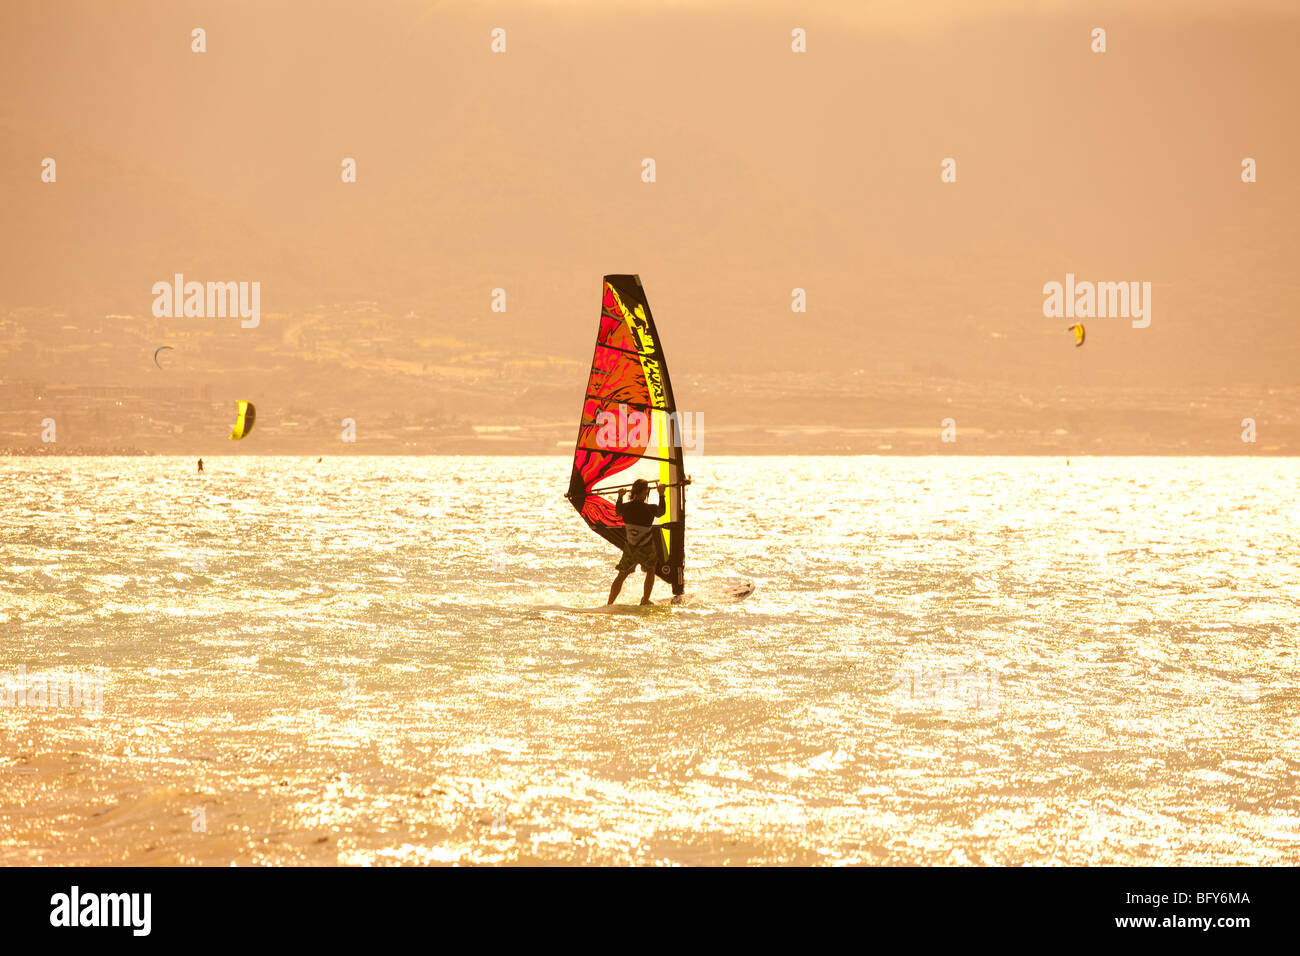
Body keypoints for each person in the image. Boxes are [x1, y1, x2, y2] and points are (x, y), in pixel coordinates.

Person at [608, 479, 665, 606]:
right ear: (644, 492)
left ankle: (609, 603)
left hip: (630, 548)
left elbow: (617, 511)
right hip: (646, 548)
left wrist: (619, 497)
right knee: (651, 570)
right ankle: (645, 600)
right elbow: (662, 512)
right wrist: (661, 494)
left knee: (621, 575)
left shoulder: (625, 507)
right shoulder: (650, 509)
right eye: (647, 490)